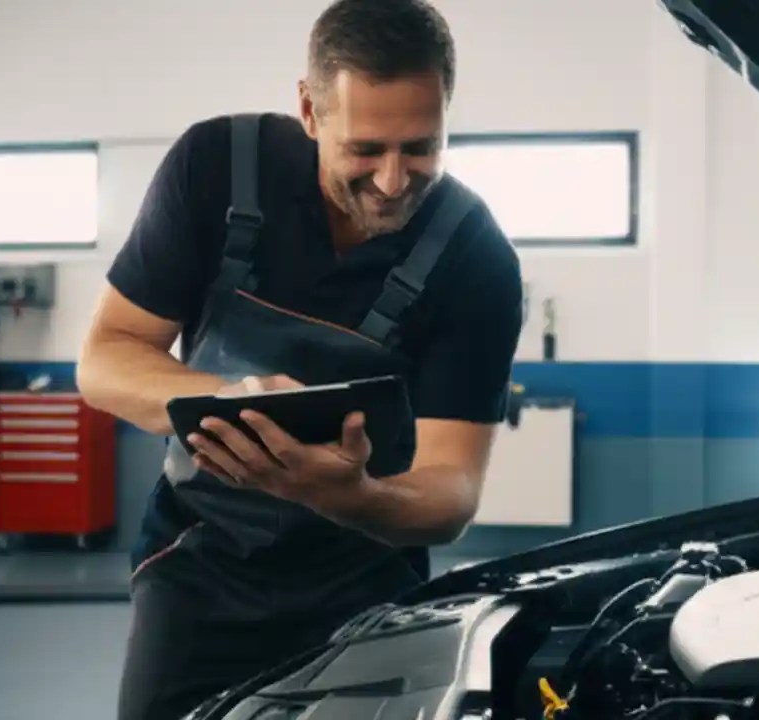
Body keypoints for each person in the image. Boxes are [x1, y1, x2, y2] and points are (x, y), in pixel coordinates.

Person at [75, 0, 523, 717]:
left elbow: (451, 490)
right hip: (200, 567)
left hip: (367, 583)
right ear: (310, 112)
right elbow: (106, 360)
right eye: (366, 150)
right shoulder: (216, 171)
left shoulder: (475, 258)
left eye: (421, 148)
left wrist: (352, 496)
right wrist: (233, 402)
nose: (392, 180)